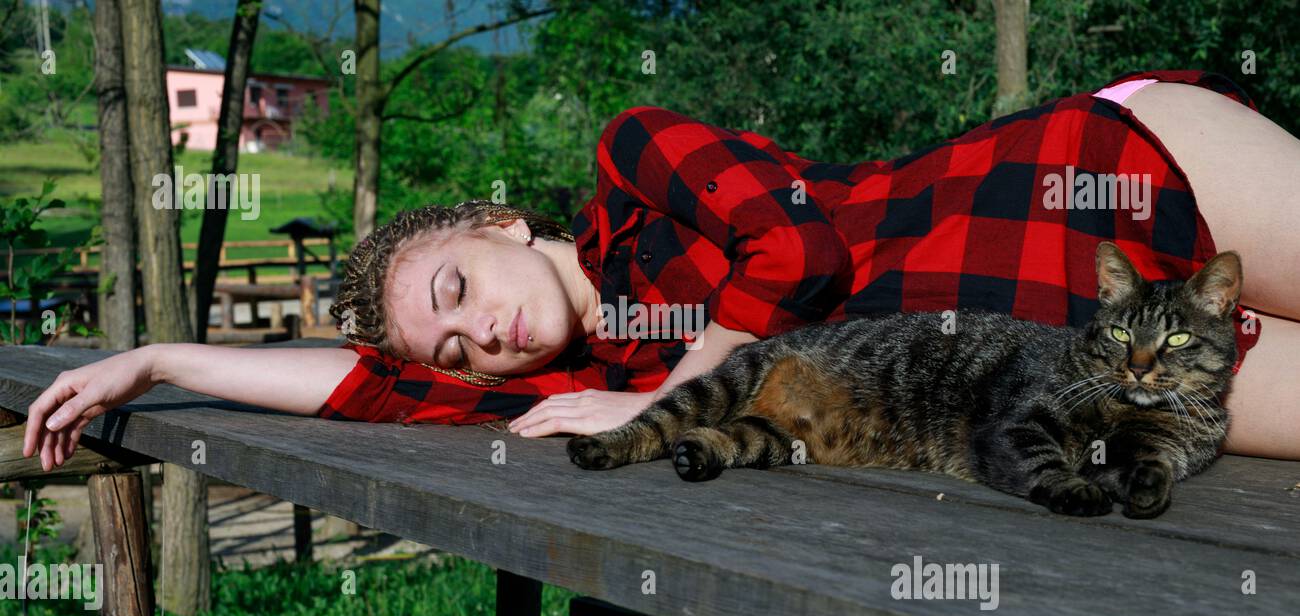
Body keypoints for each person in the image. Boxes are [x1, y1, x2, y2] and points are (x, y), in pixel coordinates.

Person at [23, 70, 1300, 472]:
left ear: (506, 227)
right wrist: (155, 357)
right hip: (1073, 355)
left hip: (1087, 169)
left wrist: (671, 388)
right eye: (452, 345)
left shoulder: (632, 161)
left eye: (457, 291)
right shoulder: (604, 372)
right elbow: (369, 388)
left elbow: (793, 243)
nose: (478, 339)